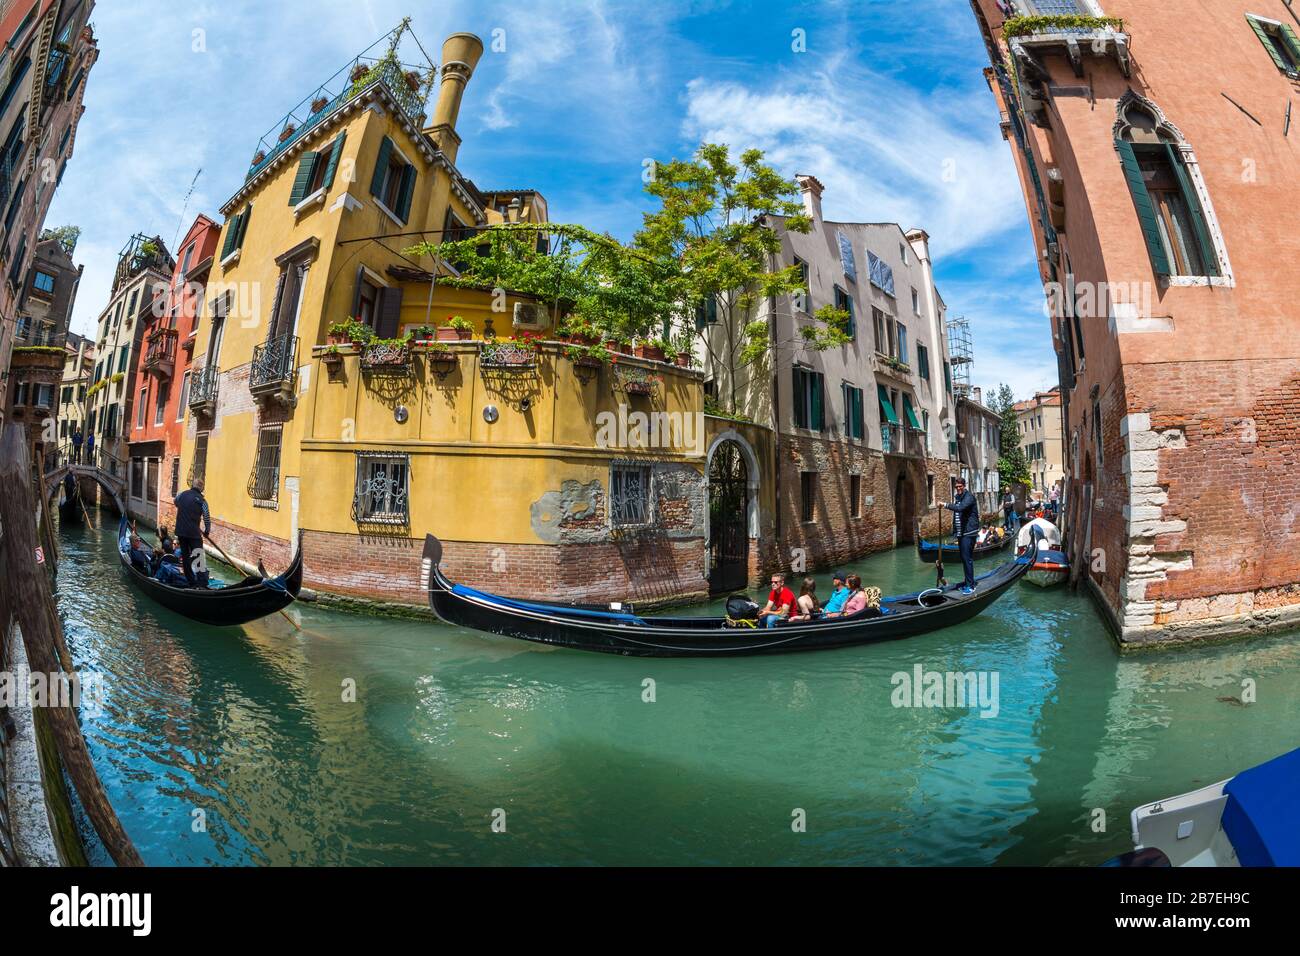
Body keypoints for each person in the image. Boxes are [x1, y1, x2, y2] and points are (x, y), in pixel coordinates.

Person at [945, 477, 980, 594]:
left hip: (969, 532)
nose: (958, 488)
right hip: (961, 533)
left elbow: (960, 509)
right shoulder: (958, 497)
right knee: (964, 559)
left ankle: (971, 585)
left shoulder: (969, 497)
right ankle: (967, 582)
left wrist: (946, 505)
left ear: (964, 486)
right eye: (956, 487)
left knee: (967, 559)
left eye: (960, 486)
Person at [174, 477, 212, 588]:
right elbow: (206, 518)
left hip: (181, 531)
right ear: (201, 488)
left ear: (192, 485)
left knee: (185, 557)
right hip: (194, 533)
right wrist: (207, 531)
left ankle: (191, 582)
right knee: (198, 557)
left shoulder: (181, 495)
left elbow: (175, 502)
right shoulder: (202, 501)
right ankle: (202, 583)